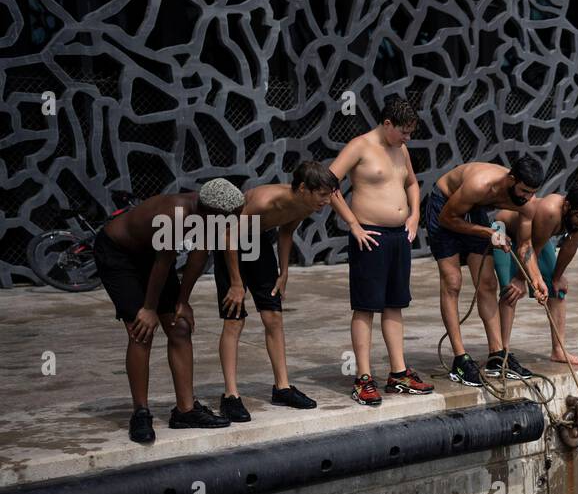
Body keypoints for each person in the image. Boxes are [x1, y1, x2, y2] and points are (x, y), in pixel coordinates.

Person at [91, 179, 244, 442]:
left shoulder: (212, 213)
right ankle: (140, 412)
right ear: (210, 213)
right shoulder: (176, 215)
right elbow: (163, 265)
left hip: (152, 255)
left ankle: (185, 410)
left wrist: (182, 301)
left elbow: (199, 256)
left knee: (180, 326)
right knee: (141, 331)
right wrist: (149, 308)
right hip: (118, 254)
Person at [327, 94, 433, 406]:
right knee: (365, 306)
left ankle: (398, 373)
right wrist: (353, 224)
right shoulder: (360, 146)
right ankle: (363, 377)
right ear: (387, 124)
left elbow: (412, 183)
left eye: (411, 133)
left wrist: (414, 215)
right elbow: (328, 183)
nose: (407, 138)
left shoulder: (400, 148)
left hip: (398, 236)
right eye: (404, 132)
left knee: (395, 304)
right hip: (369, 236)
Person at [215, 160, 338, 421]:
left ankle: (282, 387)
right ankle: (230, 395)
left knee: (273, 317)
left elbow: (285, 233)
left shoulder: (306, 204)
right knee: (234, 320)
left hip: (257, 243)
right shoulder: (265, 201)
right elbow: (229, 236)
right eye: (323, 195)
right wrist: (237, 283)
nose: (327, 201)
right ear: (304, 188)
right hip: (230, 243)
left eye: (329, 195)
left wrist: (284, 272)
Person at [424, 157, 547, 387]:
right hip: (446, 206)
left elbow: (525, 245)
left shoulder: (528, 203)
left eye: (532, 193)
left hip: (474, 209)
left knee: (488, 283)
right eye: (523, 191)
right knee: (453, 281)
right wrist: (487, 233)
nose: (527, 198)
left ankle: (497, 356)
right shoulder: (480, 184)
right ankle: (460, 359)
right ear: (511, 179)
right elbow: (448, 219)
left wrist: (536, 278)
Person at [492, 184, 578, 369]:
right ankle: (503, 352)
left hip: (534, 241)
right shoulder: (550, 210)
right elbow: (531, 249)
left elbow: (569, 247)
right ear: (567, 206)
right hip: (503, 230)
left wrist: (557, 277)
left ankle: (558, 350)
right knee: (511, 290)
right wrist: (520, 278)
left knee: (558, 291)